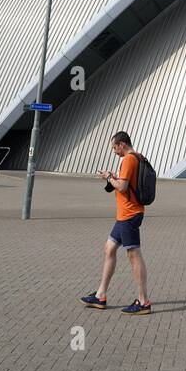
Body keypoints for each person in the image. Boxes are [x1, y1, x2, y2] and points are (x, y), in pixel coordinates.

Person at [80, 131, 151, 315]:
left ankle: (143, 301)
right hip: (124, 216)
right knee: (109, 249)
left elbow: (122, 186)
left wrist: (108, 178)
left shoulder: (128, 159)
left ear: (121, 144)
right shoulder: (138, 157)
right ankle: (100, 295)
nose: (113, 151)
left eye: (114, 147)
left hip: (130, 214)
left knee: (134, 254)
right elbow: (126, 182)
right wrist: (114, 176)